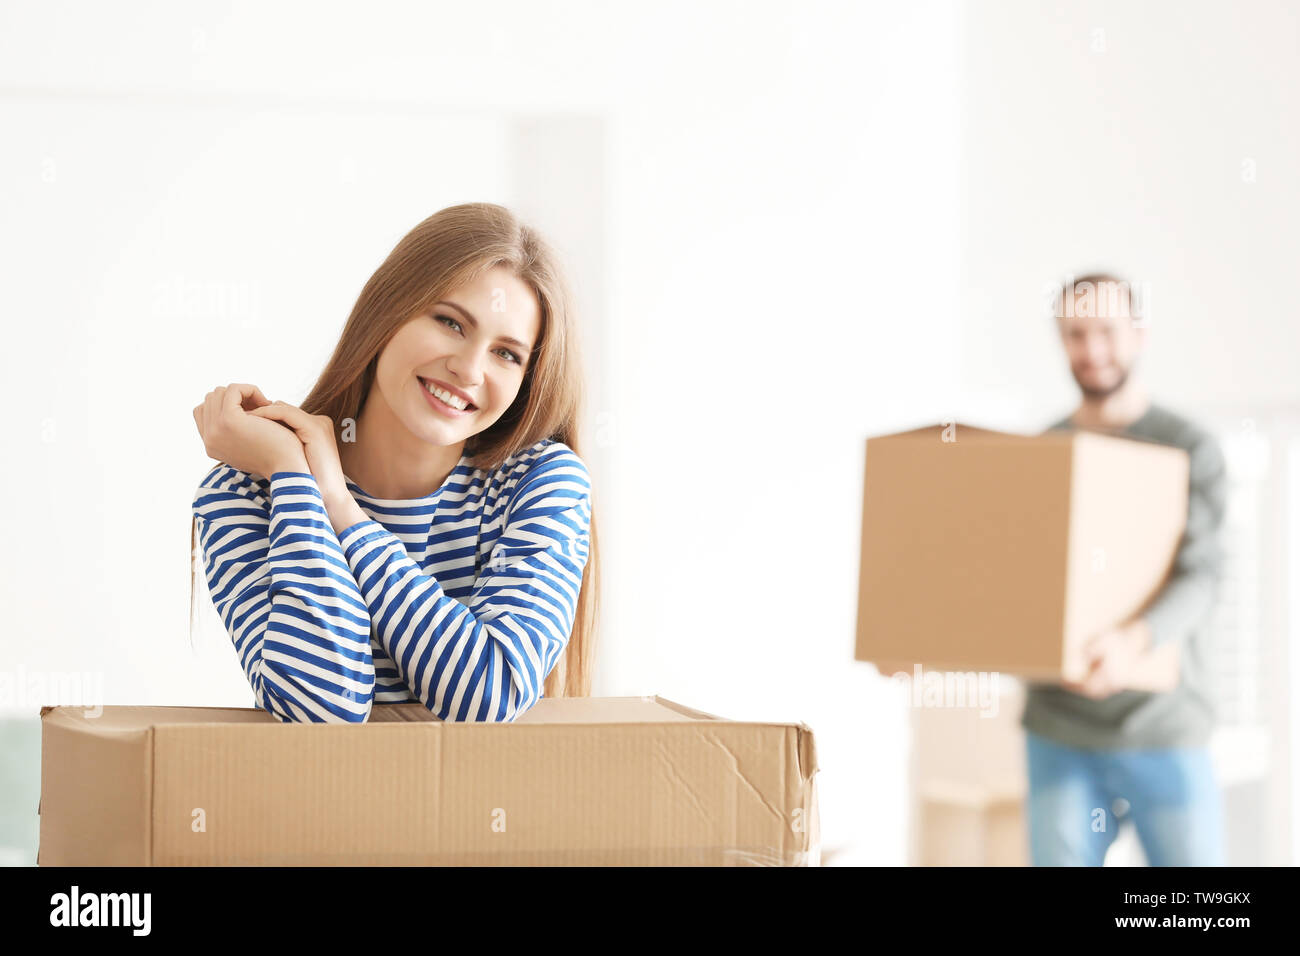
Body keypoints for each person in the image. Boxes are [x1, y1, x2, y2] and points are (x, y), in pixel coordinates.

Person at [189, 203, 599, 724]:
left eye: (507, 354)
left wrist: (340, 508)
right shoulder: (248, 491)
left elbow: (490, 697)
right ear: (387, 312)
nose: (469, 369)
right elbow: (323, 713)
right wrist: (295, 481)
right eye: (451, 322)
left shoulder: (540, 485)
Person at [1020, 273, 1228, 866]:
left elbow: (1202, 576)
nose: (1092, 349)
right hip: (1060, 726)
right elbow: (1015, 585)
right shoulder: (1041, 452)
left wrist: (1131, 642)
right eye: (1075, 334)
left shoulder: (1188, 446)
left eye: (1106, 331)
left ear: (1139, 334)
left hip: (1164, 724)